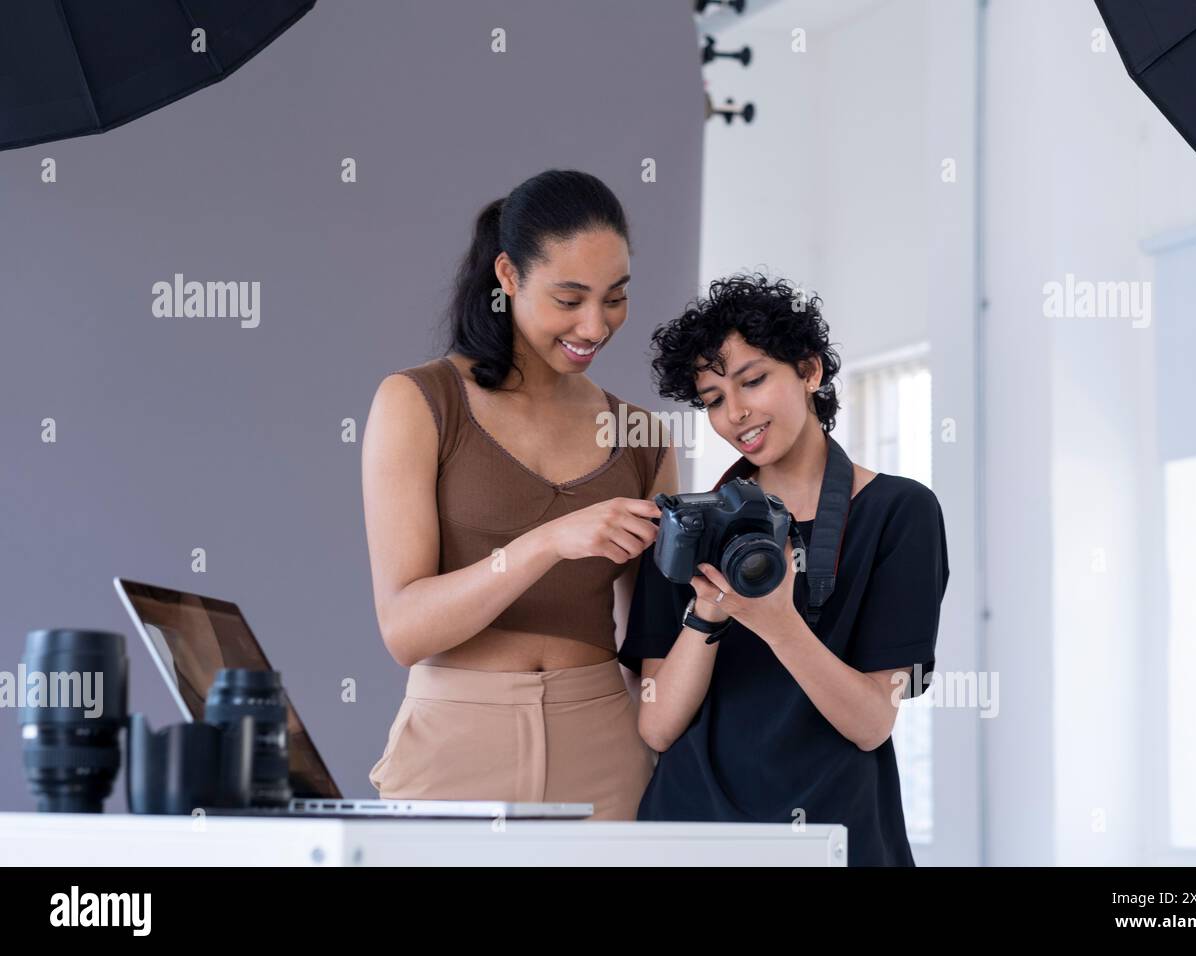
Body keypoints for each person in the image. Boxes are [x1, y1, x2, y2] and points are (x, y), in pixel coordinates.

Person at [361, 169, 677, 819]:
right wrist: (546, 543)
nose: (595, 324)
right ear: (508, 275)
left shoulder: (643, 434)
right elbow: (404, 629)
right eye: (569, 298)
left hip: (605, 751)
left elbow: (655, 649)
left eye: (616, 297)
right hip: (453, 746)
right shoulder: (420, 403)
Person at [617, 272, 949, 864]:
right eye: (714, 400)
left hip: (835, 836)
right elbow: (658, 727)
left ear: (810, 371)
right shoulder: (686, 528)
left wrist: (778, 622)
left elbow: (873, 721)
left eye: (753, 380)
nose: (736, 413)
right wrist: (710, 613)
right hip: (693, 837)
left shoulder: (900, 513)